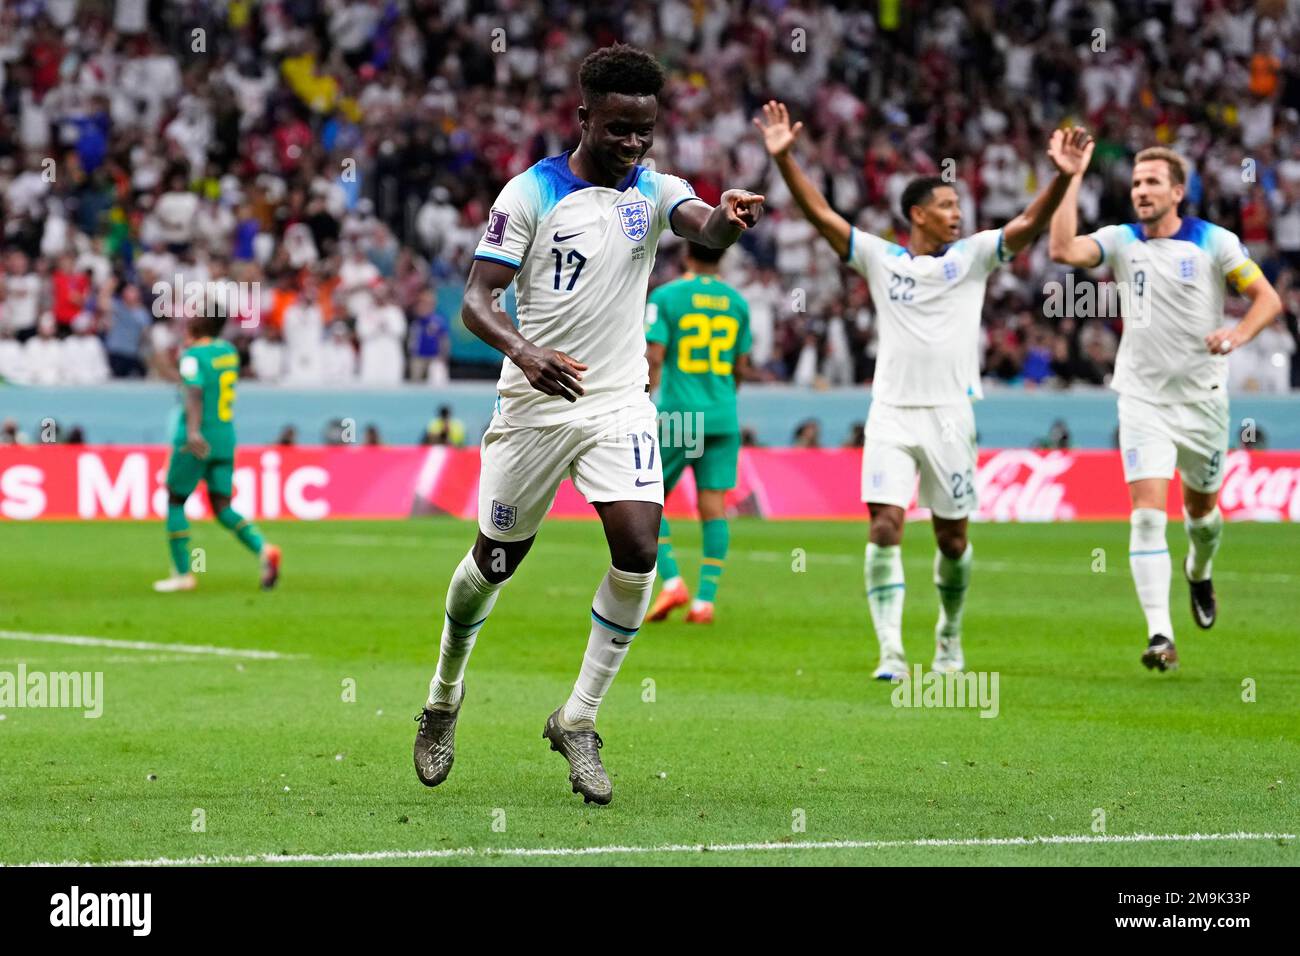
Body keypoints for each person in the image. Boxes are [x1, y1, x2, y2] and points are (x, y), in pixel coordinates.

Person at [413, 44, 764, 805]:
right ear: (585, 117)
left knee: (638, 547)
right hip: (535, 406)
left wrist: (729, 222)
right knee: (494, 565)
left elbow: (700, 227)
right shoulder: (532, 193)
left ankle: (578, 718)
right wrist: (525, 351)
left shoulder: (656, 188)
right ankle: (444, 694)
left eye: (645, 129)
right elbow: (475, 300)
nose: (634, 143)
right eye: (619, 128)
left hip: (616, 404)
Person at [756, 100, 1090, 679]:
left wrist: (1063, 176)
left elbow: (1030, 226)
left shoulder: (974, 257)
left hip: (950, 416)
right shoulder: (883, 260)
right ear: (917, 214)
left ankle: (949, 638)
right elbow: (821, 215)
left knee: (952, 538)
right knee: (884, 525)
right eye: (946, 206)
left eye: (959, 204)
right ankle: (889, 651)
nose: (957, 213)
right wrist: (785, 161)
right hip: (890, 412)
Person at [1049, 145, 1284, 672]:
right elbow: (1062, 250)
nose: (1141, 191)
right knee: (1147, 516)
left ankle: (1198, 572)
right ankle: (1160, 633)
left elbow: (1268, 300)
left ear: (1178, 192)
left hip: (1202, 402)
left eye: (1153, 182)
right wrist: (1070, 180)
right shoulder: (1121, 240)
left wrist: (1236, 334)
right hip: (1142, 399)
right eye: (1136, 183)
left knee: (1202, 517)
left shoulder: (1213, 241)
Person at [644, 242, 752, 625]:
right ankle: (705, 601)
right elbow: (741, 366)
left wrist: (643, 397)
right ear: (721, 256)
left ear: (686, 255)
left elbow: (655, 355)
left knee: (645, 499)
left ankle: (672, 581)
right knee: (713, 507)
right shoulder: (737, 302)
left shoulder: (667, 296)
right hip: (723, 416)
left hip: (679, 415)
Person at [153, 309, 281, 594]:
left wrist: (194, 430)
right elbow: (196, 382)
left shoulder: (192, 356)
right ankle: (264, 549)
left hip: (197, 438)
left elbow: (194, 391)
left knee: (175, 499)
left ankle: (183, 573)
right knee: (222, 505)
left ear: (199, 323)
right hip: (225, 436)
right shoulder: (228, 352)